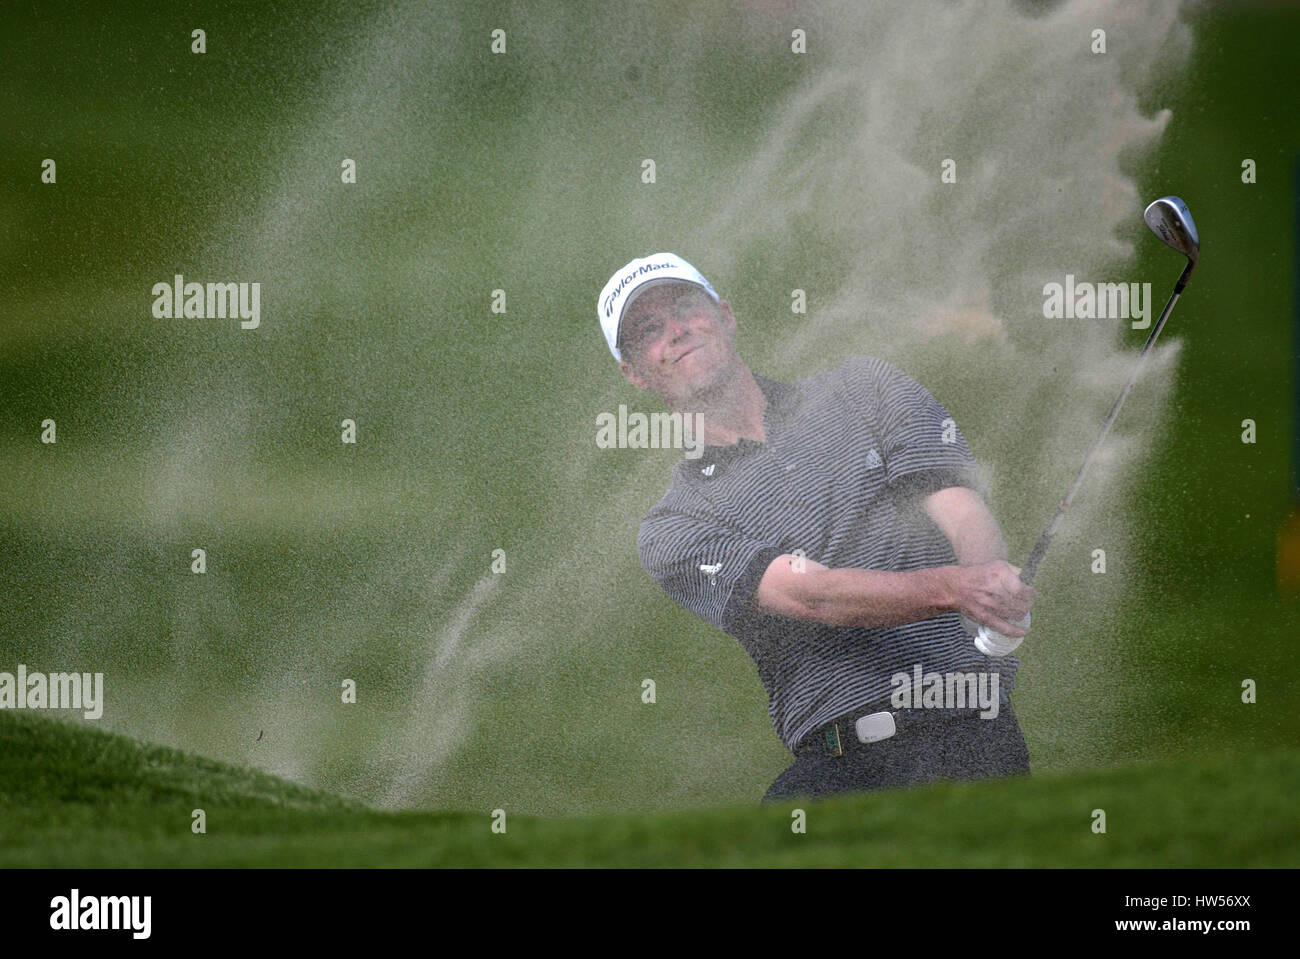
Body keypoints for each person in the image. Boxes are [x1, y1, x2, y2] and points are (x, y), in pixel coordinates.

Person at [597, 253, 1037, 802]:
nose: (677, 330)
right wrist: (959, 589)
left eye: (687, 307)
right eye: (648, 330)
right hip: (843, 765)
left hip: (966, 738)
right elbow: (811, 597)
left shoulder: (863, 389)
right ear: (634, 372)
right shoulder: (673, 526)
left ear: (726, 316)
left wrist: (989, 586)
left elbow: (960, 507)